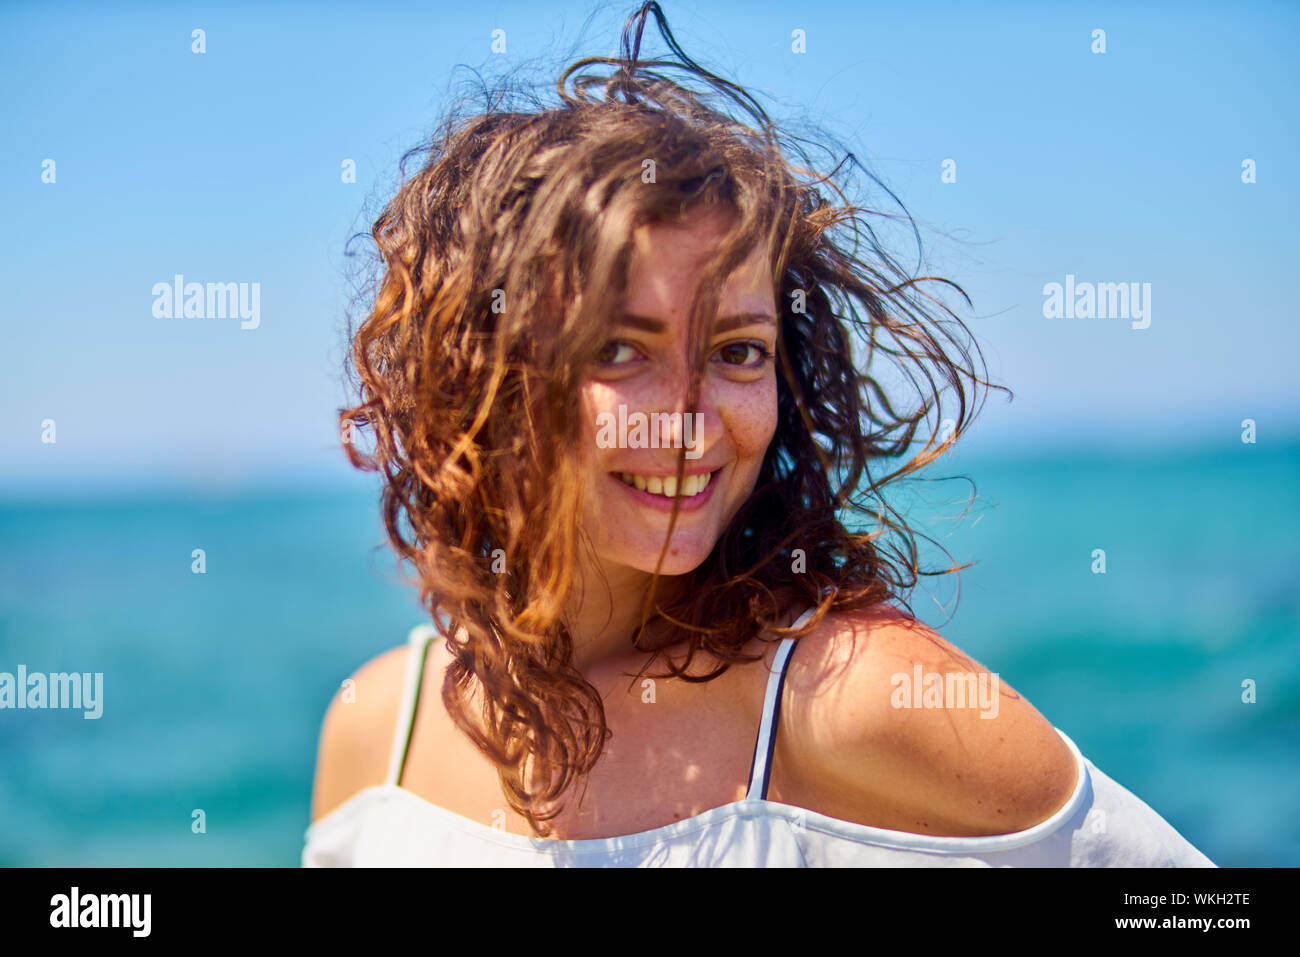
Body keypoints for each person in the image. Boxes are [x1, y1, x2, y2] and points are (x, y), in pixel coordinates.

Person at [303, 2, 1214, 866]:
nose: (693, 417)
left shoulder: (853, 698)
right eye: (623, 348)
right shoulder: (377, 728)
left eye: (739, 351)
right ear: (485, 374)